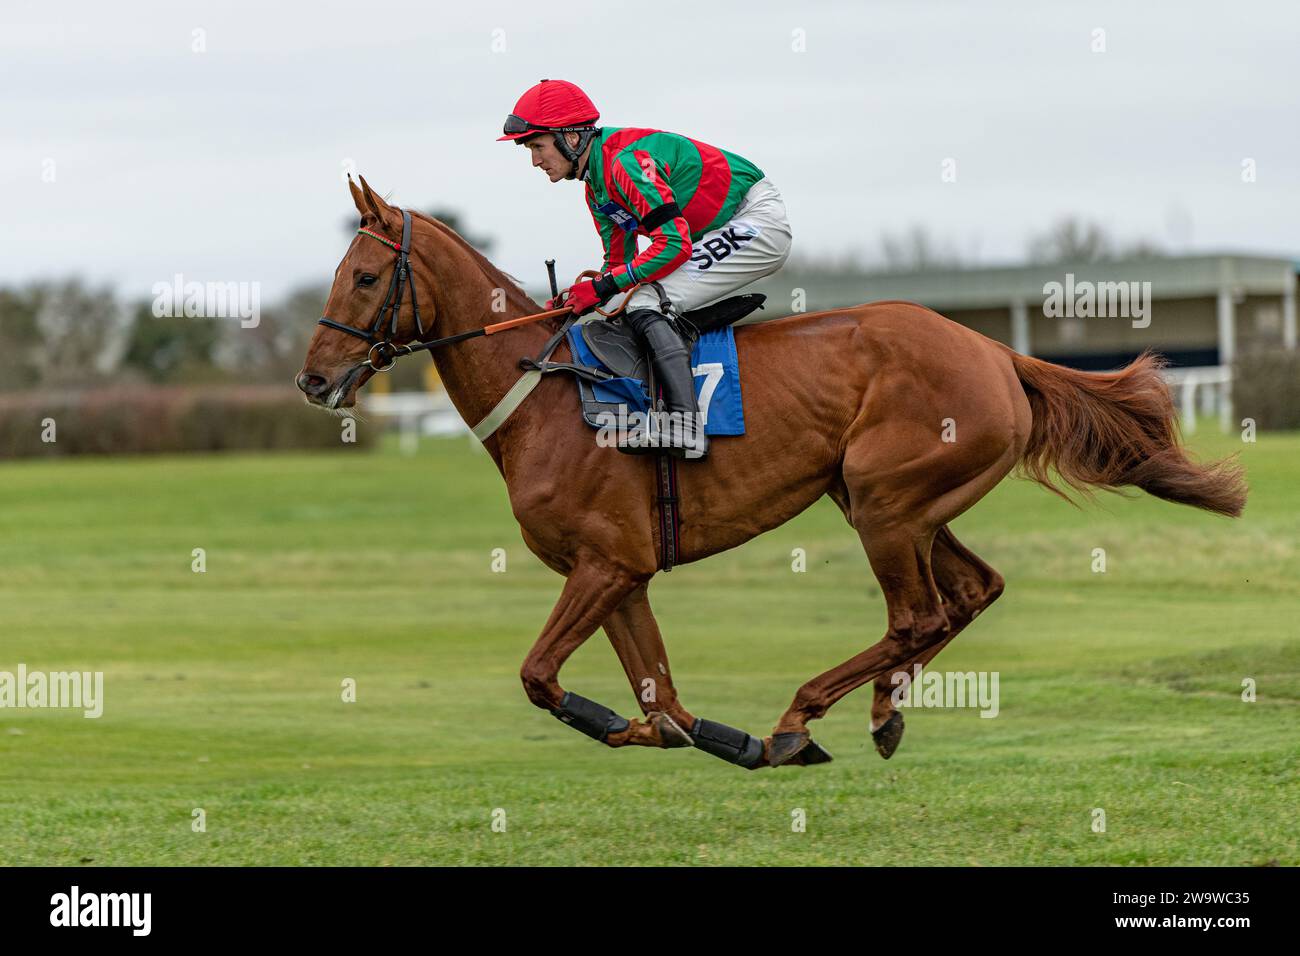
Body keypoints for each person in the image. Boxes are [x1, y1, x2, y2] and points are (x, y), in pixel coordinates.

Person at [499, 79, 792, 460]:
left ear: (571, 137)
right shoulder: (596, 188)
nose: (535, 161)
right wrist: (582, 297)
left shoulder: (626, 164)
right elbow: (618, 267)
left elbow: (673, 245)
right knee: (626, 297)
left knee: (645, 300)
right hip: (717, 228)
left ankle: (685, 425)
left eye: (538, 146)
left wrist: (606, 286)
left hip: (756, 221)